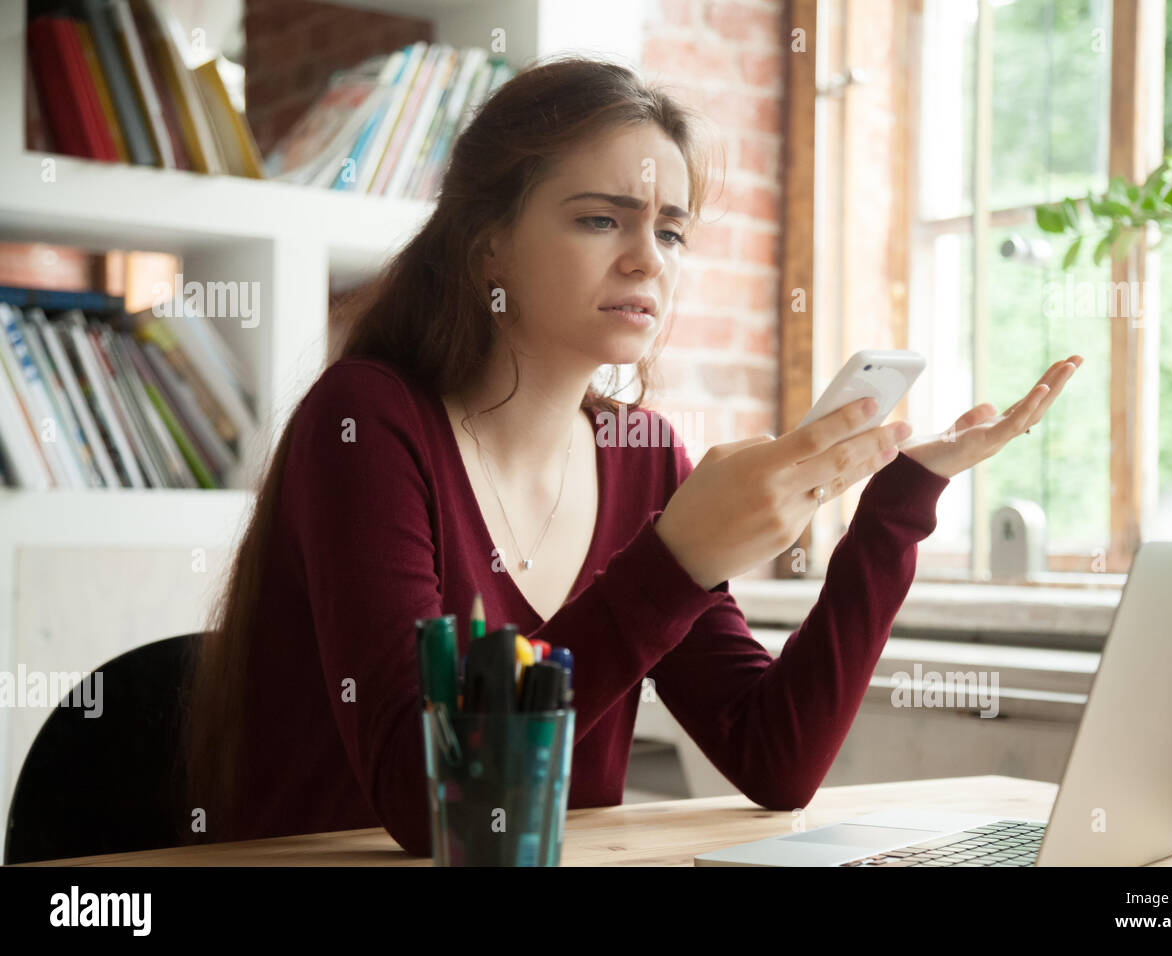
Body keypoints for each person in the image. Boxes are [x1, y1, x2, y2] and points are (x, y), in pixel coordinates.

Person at [180, 55, 1081, 857]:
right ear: (487, 241)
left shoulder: (639, 452)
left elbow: (775, 758)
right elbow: (437, 810)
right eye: (602, 220)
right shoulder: (367, 423)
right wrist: (677, 561)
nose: (649, 260)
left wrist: (896, 509)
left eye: (673, 231)